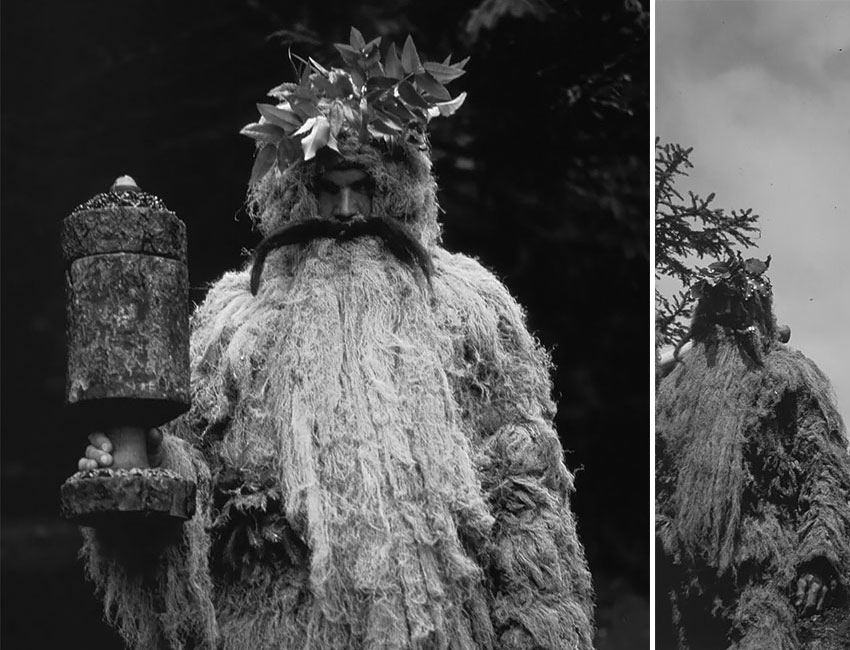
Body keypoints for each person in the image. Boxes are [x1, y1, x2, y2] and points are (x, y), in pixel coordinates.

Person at [75, 31, 594, 650]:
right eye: (327, 188)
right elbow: (190, 515)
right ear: (296, 194)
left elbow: (526, 499)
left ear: (397, 189)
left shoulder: (469, 312)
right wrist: (149, 465)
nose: (346, 212)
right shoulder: (233, 326)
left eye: (363, 187)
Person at [656, 256, 850, 650]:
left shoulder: (789, 376)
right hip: (685, 579)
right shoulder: (676, 386)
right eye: (718, 307)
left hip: (763, 572)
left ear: (759, 311)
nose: (729, 317)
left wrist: (818, 558)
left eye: (739, 305)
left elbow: (824, 471)